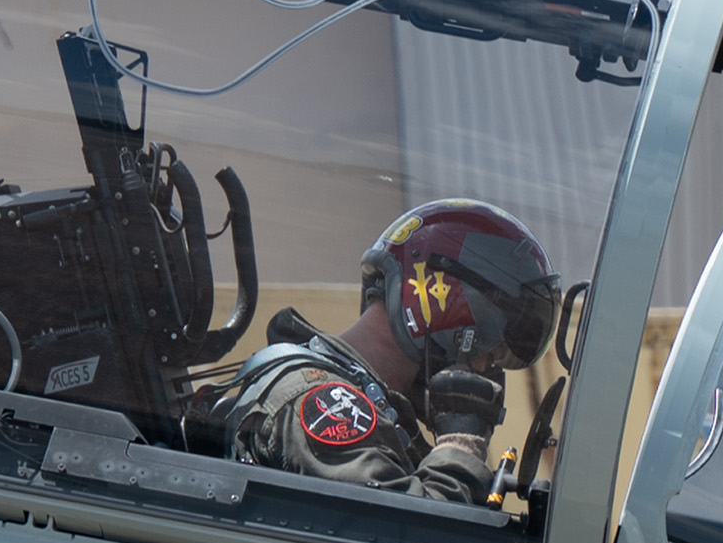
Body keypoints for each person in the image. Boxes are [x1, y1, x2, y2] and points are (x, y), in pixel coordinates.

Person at [207, 199, 562, 504]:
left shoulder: (376, 413)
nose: (485, 367)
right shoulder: (321, 405)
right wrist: (458, 451)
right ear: (449, 308)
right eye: (491, 349)